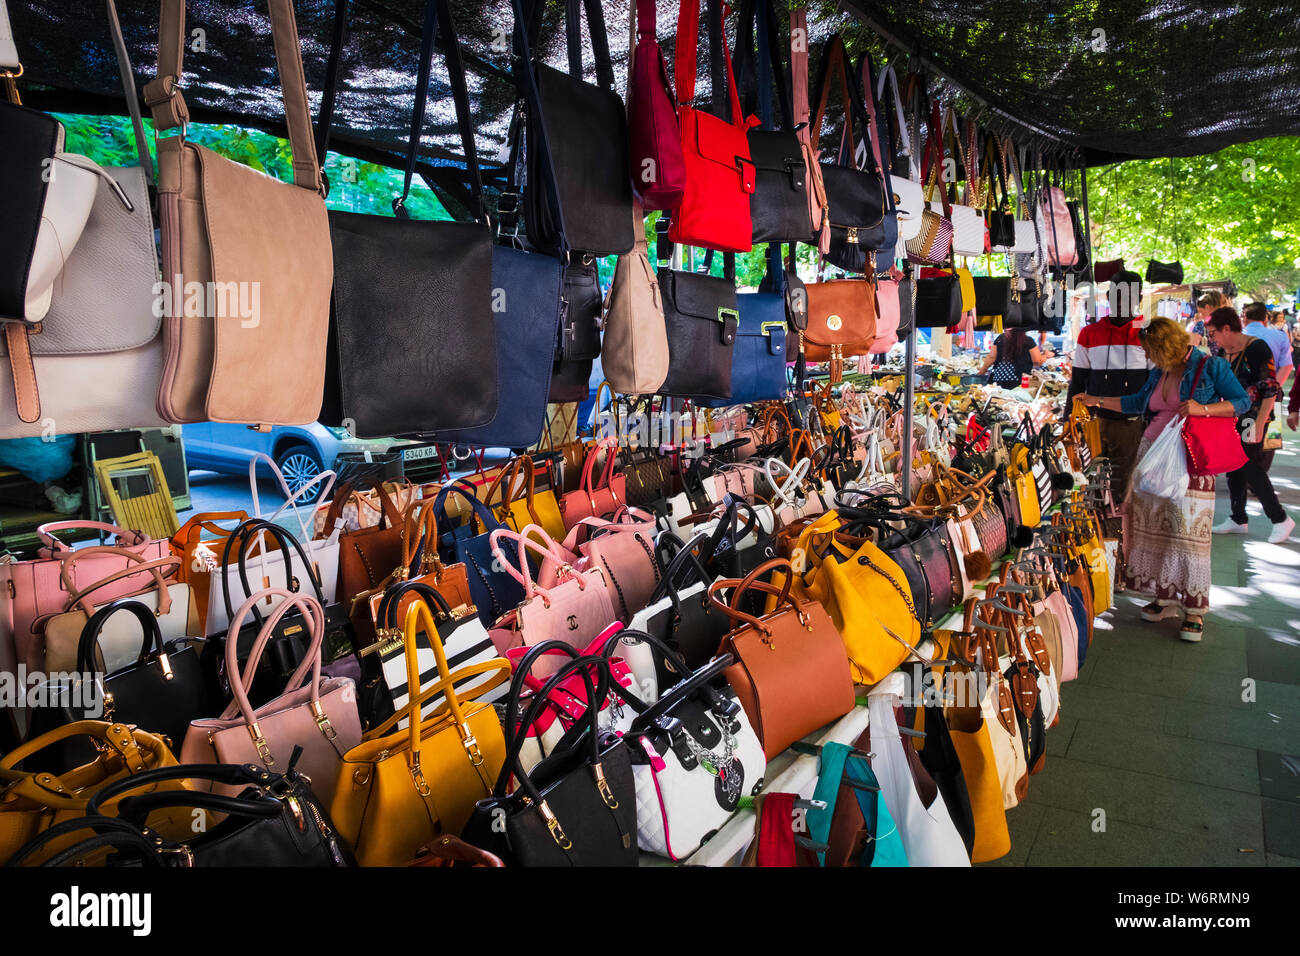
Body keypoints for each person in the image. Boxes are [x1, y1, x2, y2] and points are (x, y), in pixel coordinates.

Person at [1079, 318, 1250, 643]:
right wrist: (1096, 400)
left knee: (1187, 533)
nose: (1149, 358)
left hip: (1190, 460)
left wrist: (1205, 409)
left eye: (1151, 351)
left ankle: (1194, 609)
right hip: (1153, 457)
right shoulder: (1161, 371)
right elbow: (1137, 403)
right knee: (1153, 529)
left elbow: (1242, 402)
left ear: (1164, 347)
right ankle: (1165, 596)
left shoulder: (1210, 367)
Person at [1205, 308, 1295, 543]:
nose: (1212, 339)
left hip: (1254, 415)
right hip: (1232, 416)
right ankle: (1238, 518)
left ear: (1227, 328)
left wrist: (1260, 421)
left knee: (1249, 465)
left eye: (1214, 333)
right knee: (1233, 466)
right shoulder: (1223, 350)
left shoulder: (1257, 348)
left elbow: (1270, 388)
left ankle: (1280, 518)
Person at [1065, 270, 1152, 504]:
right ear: (1109, 297)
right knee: (1089, 481)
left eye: (1128, 296)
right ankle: (1096, 532)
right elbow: (1078, 381)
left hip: (1131, 424)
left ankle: (1116, 534)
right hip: (1091, 421)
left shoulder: (1148, 333)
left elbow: (1155, 383)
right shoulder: (1089, 333)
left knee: (1121, 484)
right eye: (1117, 295)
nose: (1121, 301)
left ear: (1139, 299)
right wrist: (1067, 420)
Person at [1242, 302, 1293, 390]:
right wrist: (1272, 389)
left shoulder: (1237, 336)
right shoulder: (1281, 336)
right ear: (1266, 318)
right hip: (1271, 392)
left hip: (1240, 393)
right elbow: (1286, 366)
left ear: (1244, 318)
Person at [977, 328, 1047, 389]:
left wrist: (983, 370)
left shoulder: (1000, 338)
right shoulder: (1028, 341)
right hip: (1019, 383)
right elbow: (1037, 361)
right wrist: (1045, 356)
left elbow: (991, 357)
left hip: (998, 380)